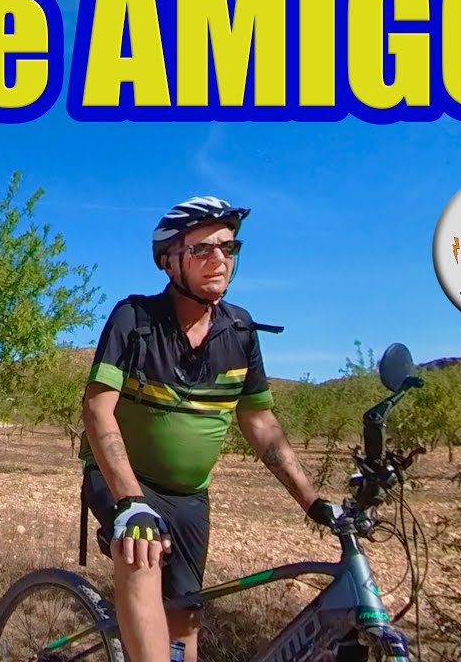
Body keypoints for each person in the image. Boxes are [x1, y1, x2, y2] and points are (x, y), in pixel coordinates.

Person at [78, 195, 336, 662]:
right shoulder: (134, 319)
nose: (220, 259)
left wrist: (313, 501)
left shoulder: (239, 331)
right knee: (142, 554)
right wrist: (130, 500)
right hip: (122, 479)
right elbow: (98, 409)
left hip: (189, 494)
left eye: (228, 248)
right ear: (169, 262)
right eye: (202, 249)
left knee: (184, 616)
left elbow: (259, 421)